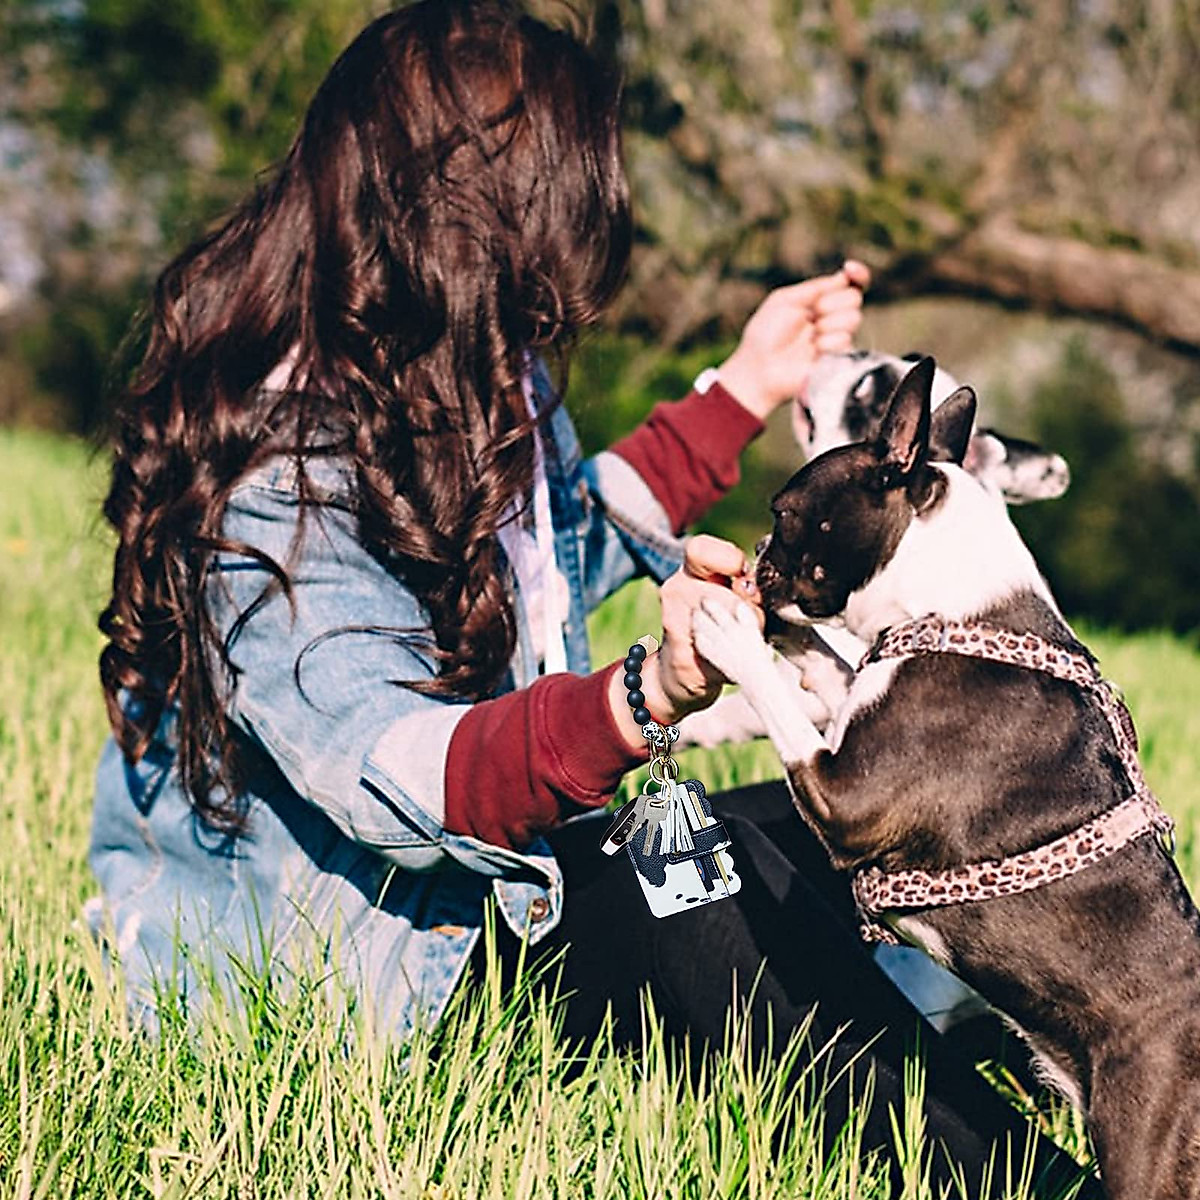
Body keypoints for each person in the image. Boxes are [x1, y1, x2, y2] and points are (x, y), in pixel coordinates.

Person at [89, 2, 1099, 1193]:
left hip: (497, 885)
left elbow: (557, 538)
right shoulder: (276, 468)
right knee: (702, 893)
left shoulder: (469, 363)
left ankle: (1042, 1059)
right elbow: (398, 775)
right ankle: (1034, 1183)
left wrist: (746, 387)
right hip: (375, 974)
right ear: (471, 217)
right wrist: (643, 695)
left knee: (864, 826)